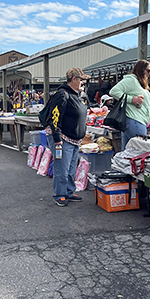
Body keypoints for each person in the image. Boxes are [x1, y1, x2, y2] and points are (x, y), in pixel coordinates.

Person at [44, 68, 90, 207]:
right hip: (62, 139)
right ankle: (59, 194)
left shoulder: (76, 95)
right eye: (81, 79)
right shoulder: (62, 95)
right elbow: (55, 118)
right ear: (74, 79)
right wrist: (57, 139)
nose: (82, 82)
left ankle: (69, 191)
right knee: (61, 168)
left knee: (70, 168)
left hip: (74, 139)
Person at [109, 60, 150, 150]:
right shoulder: (131, 80)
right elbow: (113, 92)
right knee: (141, 152)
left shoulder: (139, 84)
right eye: (148, 71)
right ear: (141, 69)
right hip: (135, 122)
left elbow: (144, 105)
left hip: (134, 121)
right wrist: (132, 99)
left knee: (127, 153)